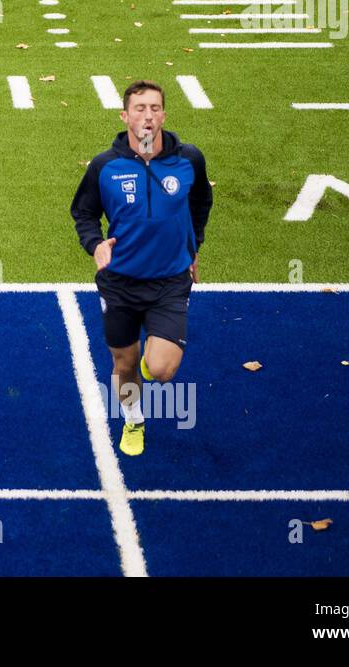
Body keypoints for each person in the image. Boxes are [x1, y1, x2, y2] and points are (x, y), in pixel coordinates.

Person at [70, 80, 212, 457]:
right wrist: (96, 244)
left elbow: (200, 204)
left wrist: (193, 245)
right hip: (119, 283)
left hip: (170, 281)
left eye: (154, 108)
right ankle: (134, 418)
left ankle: (151, 364)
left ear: (164, 114)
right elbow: (83, 212)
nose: (147, 116)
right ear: (125, 116)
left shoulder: (189, 160)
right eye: (139, 108)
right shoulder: (105, 166)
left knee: (161, 370)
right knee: (124, 362)